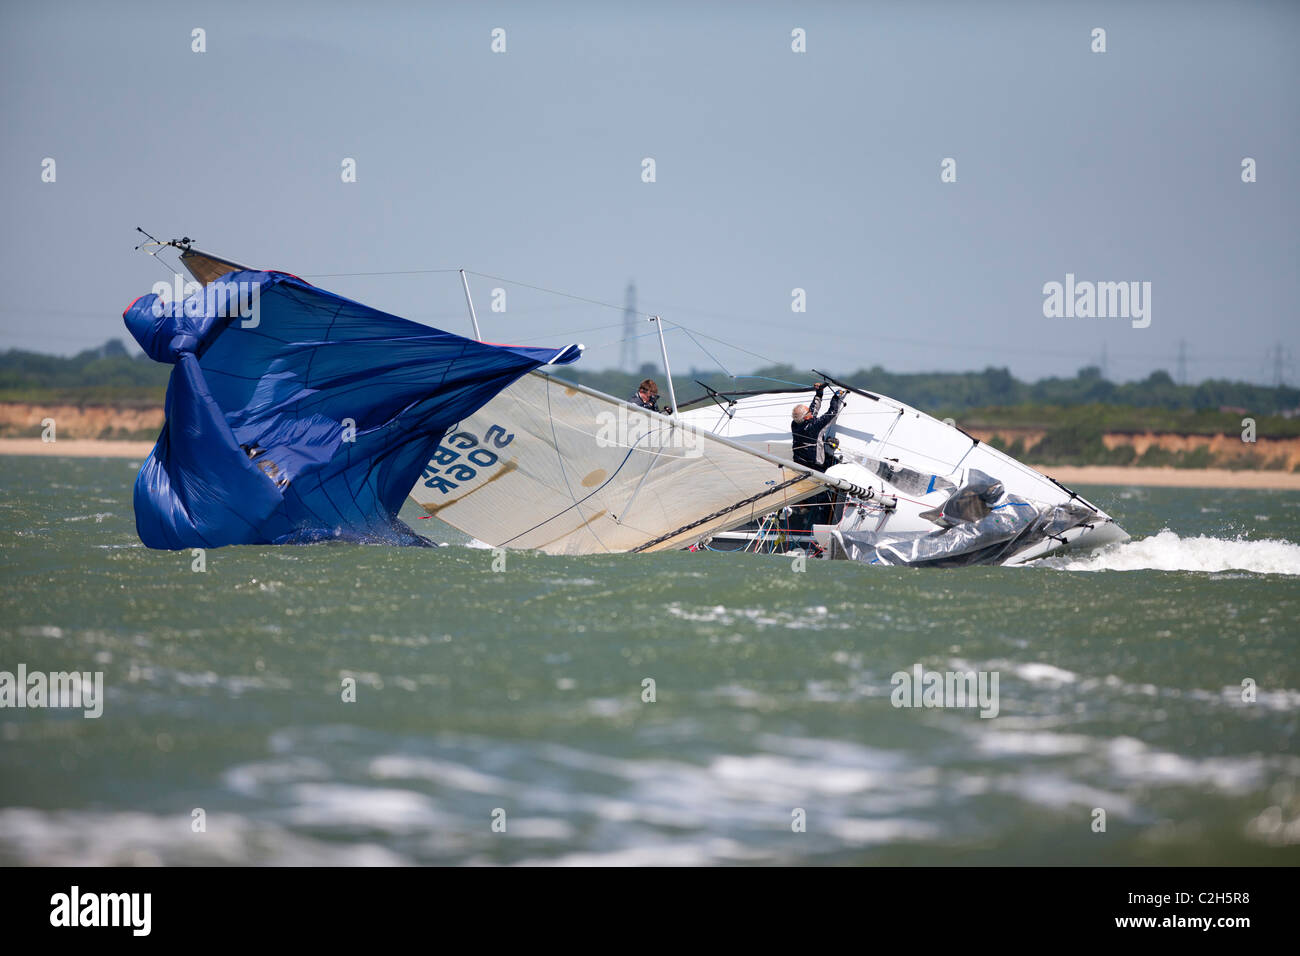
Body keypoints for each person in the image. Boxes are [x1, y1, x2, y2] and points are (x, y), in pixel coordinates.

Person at [789, 382, 846, 534]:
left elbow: (812, 410)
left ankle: (804, 508)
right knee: (821, 498)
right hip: (816, 467)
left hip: (800, 467)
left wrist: (819, 393)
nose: (810, 412)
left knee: (808, 495)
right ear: (807, 416)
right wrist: (836, 397)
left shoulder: (795, 424)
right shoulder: (814, 426)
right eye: (808, 412)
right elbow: (832, 413)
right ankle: (819, 516)